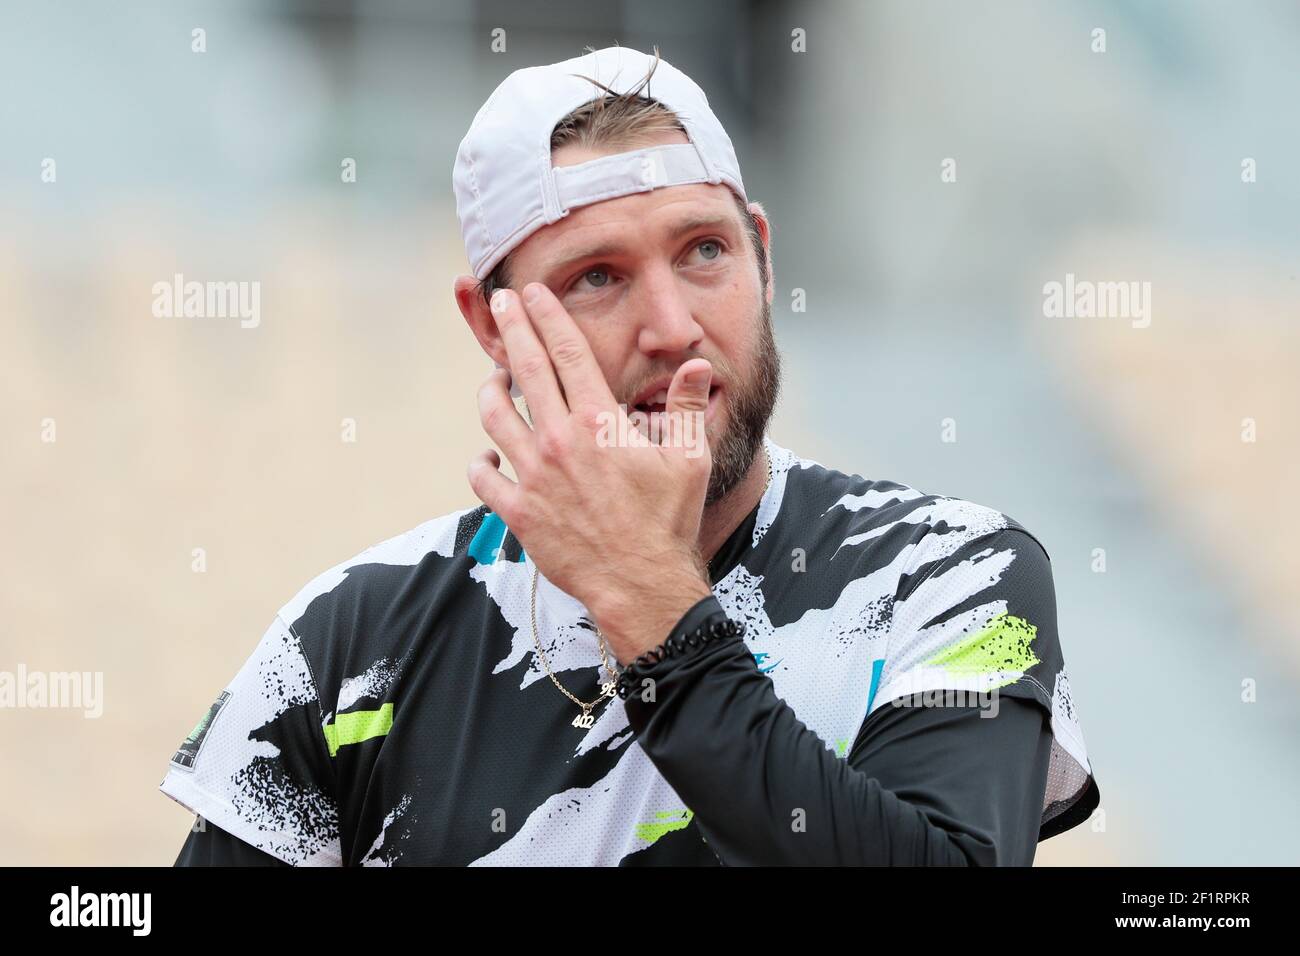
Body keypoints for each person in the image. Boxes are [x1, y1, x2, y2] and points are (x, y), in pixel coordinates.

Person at [162, 45, 1099, 866]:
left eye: (703, 251)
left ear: (763, 261)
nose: (673, 327)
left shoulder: (949, 575)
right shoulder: (349, 642)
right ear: (493, 328)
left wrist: (651, 602)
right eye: (597, 277)